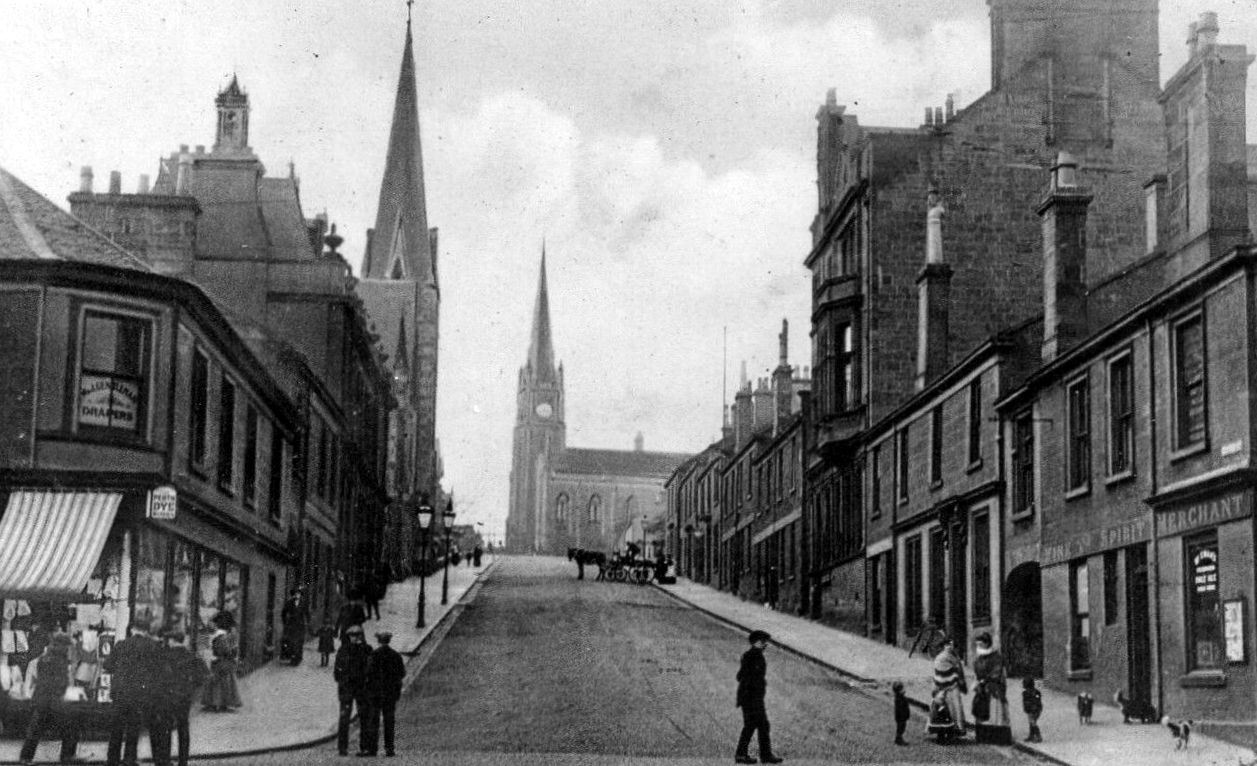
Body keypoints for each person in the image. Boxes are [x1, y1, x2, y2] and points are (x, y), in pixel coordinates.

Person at [105, 620, 169, 766]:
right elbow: (160, 671)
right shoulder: (153, 646)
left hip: (120, 692)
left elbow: (107, 665)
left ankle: (112, 760)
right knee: (133, 728)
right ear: (146, 631)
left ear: (132, 629)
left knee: (116, 729)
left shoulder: (121, 645)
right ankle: (129, 759)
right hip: (139, 693)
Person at [20, 627, 82, 765]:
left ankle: (25, 758)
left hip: (41, 699)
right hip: (54, 701)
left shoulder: (43, 658)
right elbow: (61, 682)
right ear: (63, 646)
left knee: (34, 731)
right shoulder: (61, 661)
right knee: (71, 727)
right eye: (67, 646)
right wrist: (68, 693)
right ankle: (67, 756)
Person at [158, 629, 209, 766]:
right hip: (184, 697)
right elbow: (203, 676)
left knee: (166, 728)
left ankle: (165, 760)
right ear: (183, 640)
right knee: (183, 727)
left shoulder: (165, 656)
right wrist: (191, 689)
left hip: (168, 695)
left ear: (172, 641)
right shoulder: (191, 656)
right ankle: (183, 761)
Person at [735, 630, 783, 764]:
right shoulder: (751, 656)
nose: (765, 645)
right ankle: (746, 755)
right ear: (756, 642)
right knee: (753, 725)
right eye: (763, 642)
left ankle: (760, 755)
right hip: (751, 698)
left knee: (760, 725)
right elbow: (743, 676)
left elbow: (740, 676)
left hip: (753, 697)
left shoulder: (755, 655)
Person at [364, 631, 406, 757]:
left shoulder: (374, 655)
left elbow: (368, 672)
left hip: (376, 693)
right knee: (389, 721)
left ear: (379, 641)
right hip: (390, 693)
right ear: (389, 641)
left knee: (374, 721)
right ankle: (389, 748)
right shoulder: (396, 655)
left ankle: (373, 749)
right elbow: (402, 673)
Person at [334, 625, 373, 757]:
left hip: (362, 688)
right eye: (351, 636)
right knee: (344, 717)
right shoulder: (343, 650)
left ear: (361, 636)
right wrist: (343, 681)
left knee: (364, 717)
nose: (354, 638)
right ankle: (342, 748)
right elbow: (337, 671)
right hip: (347, 689)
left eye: (356, 636)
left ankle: (365, 747)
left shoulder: (367, 650)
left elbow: (371, 670)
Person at [972, 632, 1011, 744]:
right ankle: (983, 737)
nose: (978, 647)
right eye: (978, 644)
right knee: (980, 710)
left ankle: (998, 738)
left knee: (996, 712)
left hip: (994, 688)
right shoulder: (979, 658)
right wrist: (978, 682)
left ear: (987, 644)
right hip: (982, 688)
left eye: (981, 644)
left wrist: (986, 679)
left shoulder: (996, 657)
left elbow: (998, 672)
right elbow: (976, 671)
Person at [927, 637, 967, 742]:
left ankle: (956, 729)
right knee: (944, 709)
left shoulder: (955, 657)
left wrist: (961, 681)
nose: (950, 647)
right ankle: (944, 731)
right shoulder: (941, 658)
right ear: (944, 646)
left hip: (953, 686)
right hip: (943, 687)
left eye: (952, 645)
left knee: (955, 707)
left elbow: (959, 671)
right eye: (948, 645)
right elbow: (939, 672)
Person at [201, 612, 242, 712]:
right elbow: (230, 648)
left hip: (220, 661)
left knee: (217, 683)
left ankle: (215, 703)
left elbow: (223, 649)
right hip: (226, 661)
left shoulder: (220, 636)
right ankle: (224, 703)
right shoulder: (229, 633)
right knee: (226, 683)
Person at [280, 587, 310, 666]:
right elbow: (283, 612)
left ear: (300, 595)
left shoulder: (304, 603)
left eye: (298, 593)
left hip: (300, 625)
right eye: (295, 593)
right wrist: (285, 622)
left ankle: (298, 657)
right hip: (291, 625)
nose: (297, 595)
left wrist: (307, 623)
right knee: (292, 642)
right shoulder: (289, 603)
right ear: (293, 594)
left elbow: (307, 614)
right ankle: (293, 658)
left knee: (299, 641)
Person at [1022, 677, 1043, 743]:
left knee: (1033, 723)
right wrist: (1026, 708)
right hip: (1029, 710)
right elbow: (1025, 702)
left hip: (1036, 710)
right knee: (1031, 723)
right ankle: (1031, 736)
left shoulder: (1036, 693)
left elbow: (1038, 700)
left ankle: (1038, 736)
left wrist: (1035, 706)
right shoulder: (1024, 693)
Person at [892, 680, 910, 746]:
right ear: (899, 691)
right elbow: (901, 709)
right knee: (901, 728)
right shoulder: (899, 699)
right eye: (902, 689)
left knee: (902, 728)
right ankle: (898, 739)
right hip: (901, 718)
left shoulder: (901, 697)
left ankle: (899, 738)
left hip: (902, 717)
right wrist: (904, 715)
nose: (904, 690)